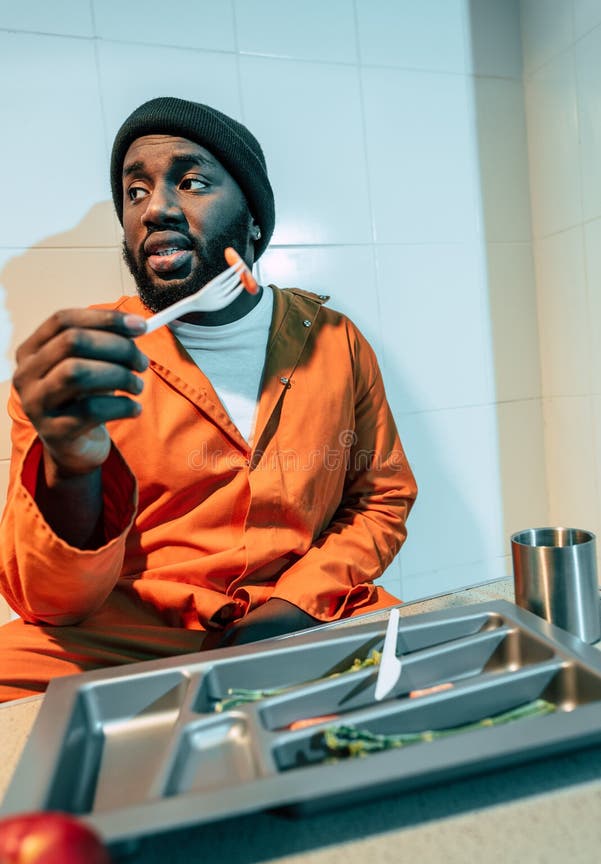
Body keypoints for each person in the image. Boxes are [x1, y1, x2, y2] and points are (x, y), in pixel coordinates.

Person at [0, 97, 417, 702]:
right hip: (129, 634)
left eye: (191, 182)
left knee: (425, 668)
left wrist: (293, 605)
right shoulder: (81, 364)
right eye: (135, 192)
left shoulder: (335, 342)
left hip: (300, 608)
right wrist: (71, 466)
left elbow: (382, 498)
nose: (157, 208)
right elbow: (50, 603)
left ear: (253, 219)